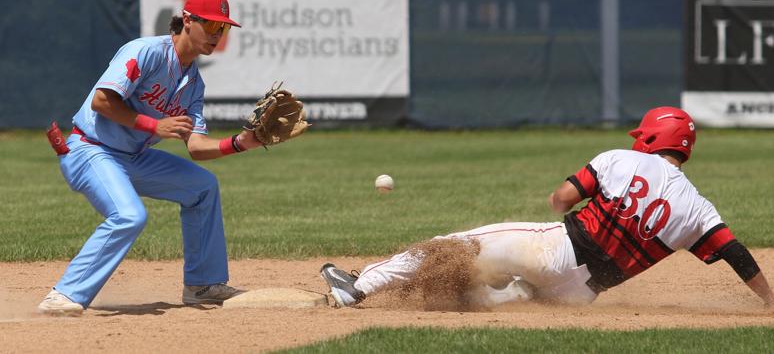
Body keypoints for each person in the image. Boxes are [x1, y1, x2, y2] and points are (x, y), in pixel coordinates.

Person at [320, 107, 774, 310]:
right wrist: (770, 304)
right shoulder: (699, 208)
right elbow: (738, 256)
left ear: (652, 138)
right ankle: (457, 298)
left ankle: (358, 287)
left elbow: (562, 199)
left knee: (452, 246)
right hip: (583, 293)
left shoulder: (622, 159)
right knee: (503, 295)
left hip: (556, 250)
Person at [38, 0, 268, 316]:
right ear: (187, 21)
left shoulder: (193, 84)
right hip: (90, 149)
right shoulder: (145, 51)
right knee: (129, 216)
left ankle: (202, 284)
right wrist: (153, 125)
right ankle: (64, 295)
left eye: (224, 29)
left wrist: (241, 142)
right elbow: (101, 101)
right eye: (212, 26)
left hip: (133, 158)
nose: (217, 36)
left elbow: (197, 148)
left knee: (203, 187)